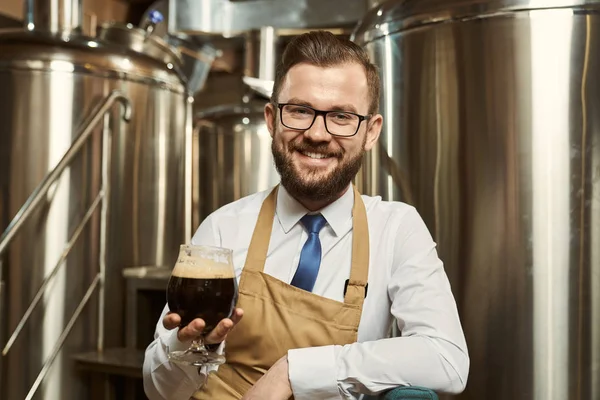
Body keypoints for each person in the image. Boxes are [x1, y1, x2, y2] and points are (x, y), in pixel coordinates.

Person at [143, 30, 469, 400]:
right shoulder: (224, 227)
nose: (316, 133)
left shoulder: (396, 229)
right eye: (300, 111)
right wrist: (184, 352)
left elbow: (447, 359)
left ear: (371, 132)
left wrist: (293, 371)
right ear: (271, 119)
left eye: (342, 116)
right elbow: (159, 392)